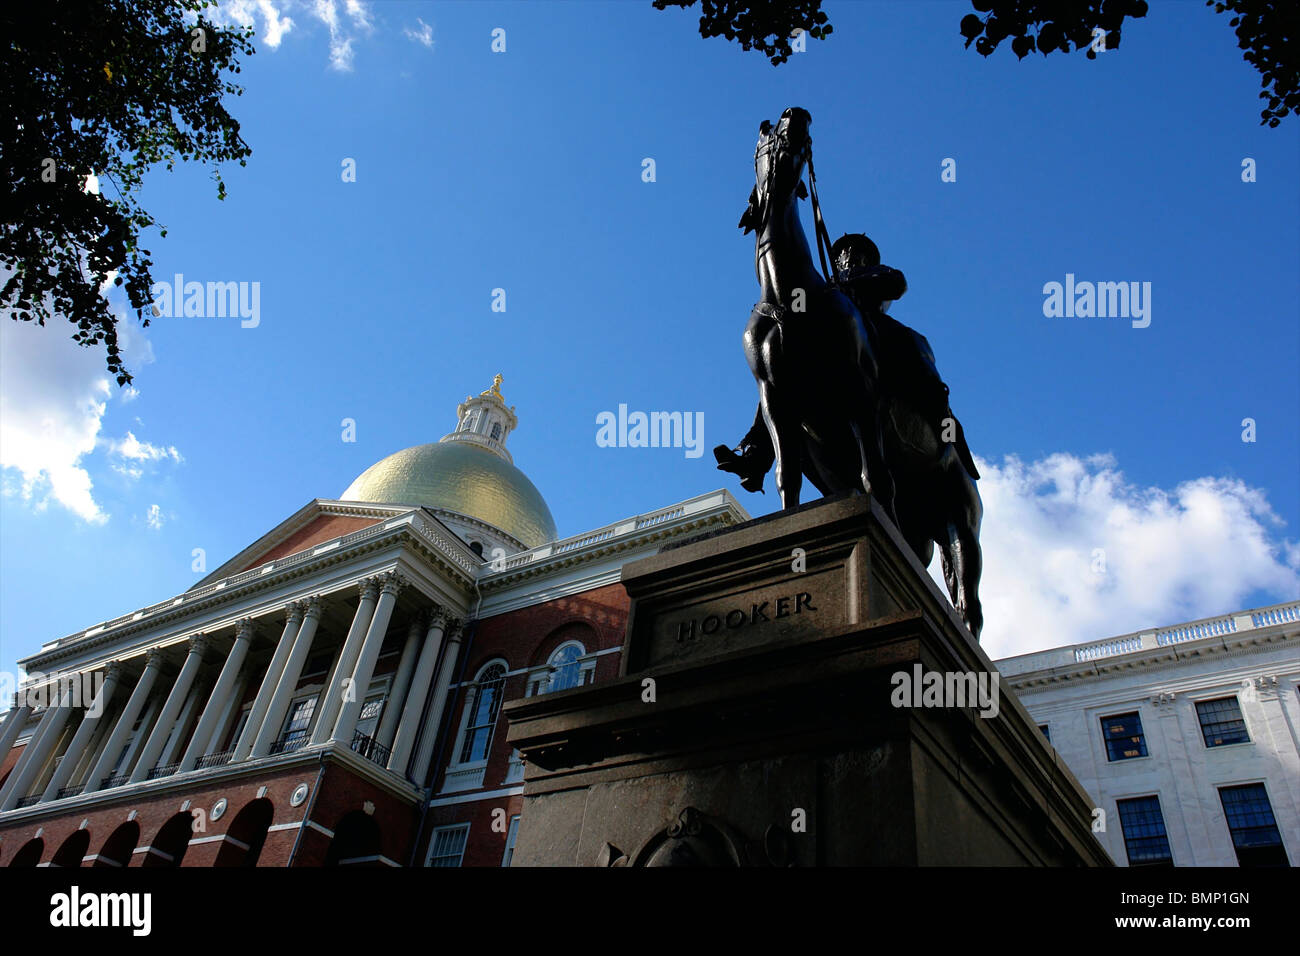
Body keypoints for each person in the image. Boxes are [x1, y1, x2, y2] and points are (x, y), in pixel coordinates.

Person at [715, 233, 977, 492]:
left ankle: (938, 407)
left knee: (913, 344)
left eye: (853, 251)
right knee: (779, 376)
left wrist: (853, 279)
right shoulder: (826, 283)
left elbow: (896, 284)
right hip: (835, 339)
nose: (846, 256)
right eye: (841, 253)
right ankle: (757, 457)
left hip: (869, 327)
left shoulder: (878, 272)